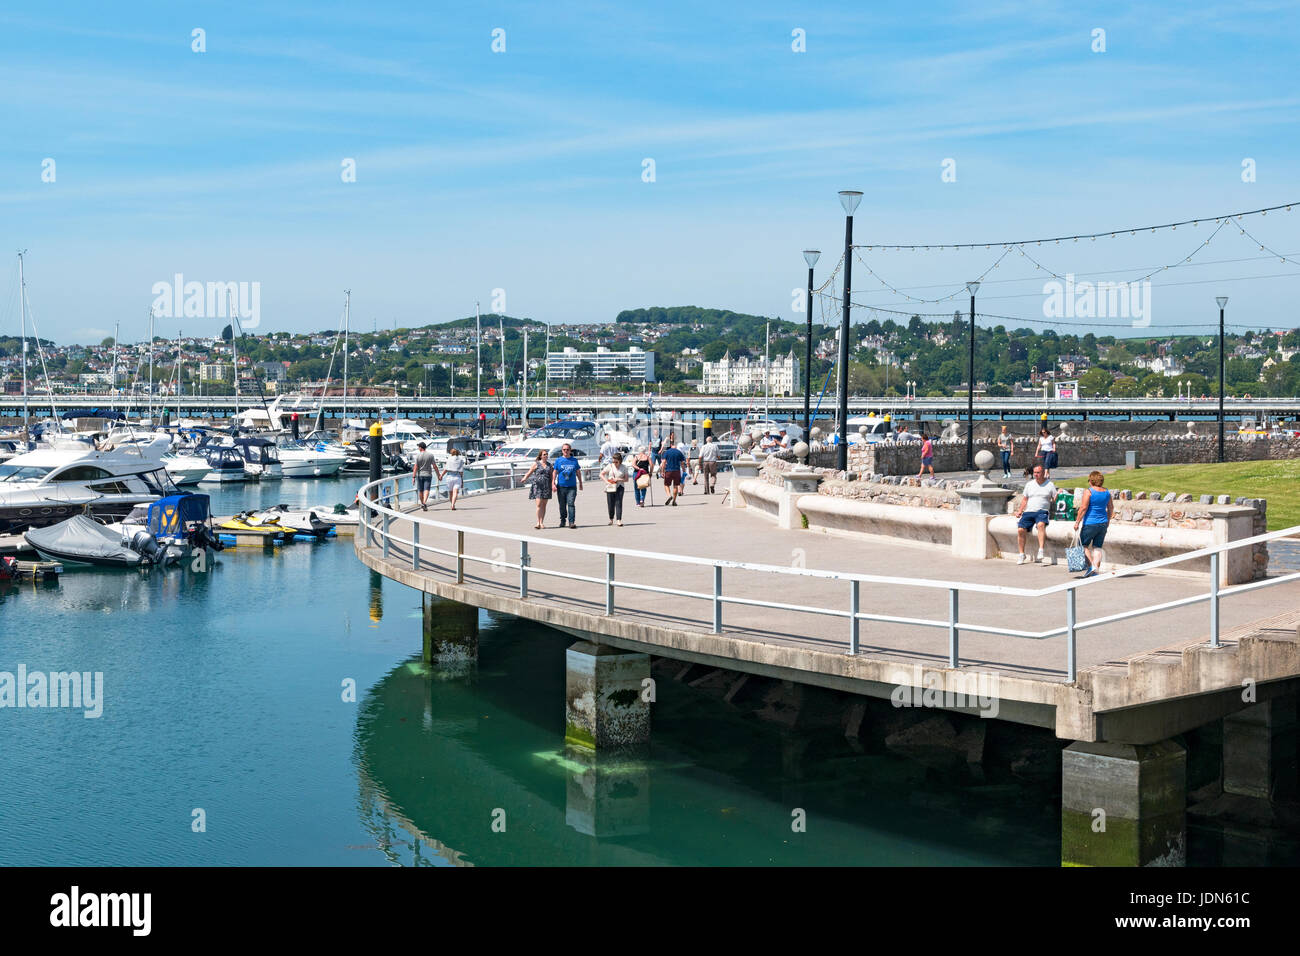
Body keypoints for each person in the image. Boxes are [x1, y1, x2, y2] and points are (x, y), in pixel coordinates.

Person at [1073, 471, 1113, 578]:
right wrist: (1108, 520)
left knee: (1083, 545)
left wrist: (1077, 521)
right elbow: (1110, 508)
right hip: (1103, 523)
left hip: (1090, 523)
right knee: (1097, 547)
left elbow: (1084, 508)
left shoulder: (1089, 492)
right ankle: (1095, 571)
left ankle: (1091, 566)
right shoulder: (1107, 492)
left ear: (1091, 481)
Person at [1014, 463, 1056, 565]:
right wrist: (1020, 511)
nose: (1036, 474)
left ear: (1043, 473)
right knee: (1020, 529)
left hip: (1042, 511)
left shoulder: (1050, 484)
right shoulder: (1029, 484)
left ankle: (1041, 550)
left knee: (1041, 525)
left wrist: (1058, 494)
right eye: (1035, 473)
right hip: (1029, 511)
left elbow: (1054, 498)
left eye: (1038, 472)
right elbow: (1025, 499)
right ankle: (1021, 554)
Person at [552, 442, 583, 528]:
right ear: (562, 450)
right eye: (564, 449)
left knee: (571, 503)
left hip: (572, 487)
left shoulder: (574, 460)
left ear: (570, 450)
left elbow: (578, 472)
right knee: (562, 505)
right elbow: (555, 472)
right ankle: (563, 520)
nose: (566, 451)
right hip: (561, 486)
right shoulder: (558, 460)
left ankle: (571, 522)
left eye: (567, 449)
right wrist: (553, 483)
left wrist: (580, 483)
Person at [522, 448, 553, 529]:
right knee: (539, 504)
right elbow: (529, 472)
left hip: (546, 486)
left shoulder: (550, 465)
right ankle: (538, 522)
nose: (546, 455)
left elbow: (552, 475)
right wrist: (524, 478)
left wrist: (553, 484)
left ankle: (542, 522)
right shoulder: (536, 464)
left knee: (544, 505)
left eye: (546, 454)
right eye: (544, 454)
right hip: (537, 486)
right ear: (541, 456)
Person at [412, 441, 443, 511]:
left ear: (420, 447)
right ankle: (425, 502)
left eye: (418, 447)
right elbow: (435, 466)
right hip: (428, 475)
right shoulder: (430, 455)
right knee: (427, 489)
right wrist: (438, 475)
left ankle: (422, 502)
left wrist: (413, 477)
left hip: (420, 475)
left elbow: (415, 467)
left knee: (421, 490)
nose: (418, 448)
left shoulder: (417, 456)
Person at [601, 452, 629, 526]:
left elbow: (626, 479)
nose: (615, 463)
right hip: (610, 487)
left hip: (620, 487)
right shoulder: (610, 466)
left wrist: (619, 479)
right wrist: (607, 482)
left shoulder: (624, 467)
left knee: (618, 503)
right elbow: (601, 474)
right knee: (610, 504)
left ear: (620, 461)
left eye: (616, 462)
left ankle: (619, 520)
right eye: (613, 461)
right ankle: (611, 519)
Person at [659, 438, 687, 505]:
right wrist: (684, 471)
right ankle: (674, 501)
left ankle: (669, 496)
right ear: (676, 445)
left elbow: (663, 462)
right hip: (677, 471)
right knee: (676, 486)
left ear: (671, 445)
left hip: (668, 470)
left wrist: (662, 471)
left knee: (666, 485)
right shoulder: (679, 452)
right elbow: (682, 463)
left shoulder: (666, 452)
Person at [442, 446, 466, 510]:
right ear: (458, 453)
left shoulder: (449, 459)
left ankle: (452, 504)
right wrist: (462, 480)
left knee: (450, 492)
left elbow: (446, 469)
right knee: (455, 492)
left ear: (451, 453)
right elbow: (461, 471)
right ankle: (453, 504)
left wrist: (441, 475)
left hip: (449, 477)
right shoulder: (460, 460)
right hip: (457, 477)